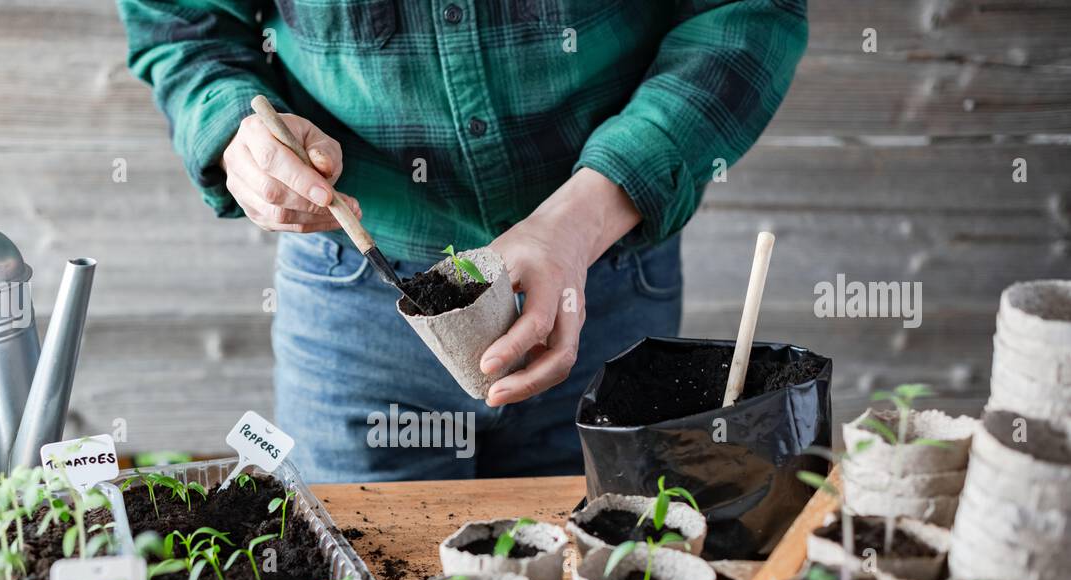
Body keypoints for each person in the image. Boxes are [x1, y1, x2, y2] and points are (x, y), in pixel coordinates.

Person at [119, 1, 806, 482]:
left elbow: (746, 12)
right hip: (354, 315)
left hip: (601, 282)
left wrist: (584, 215)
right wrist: (238, 133)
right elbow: (183, 24)